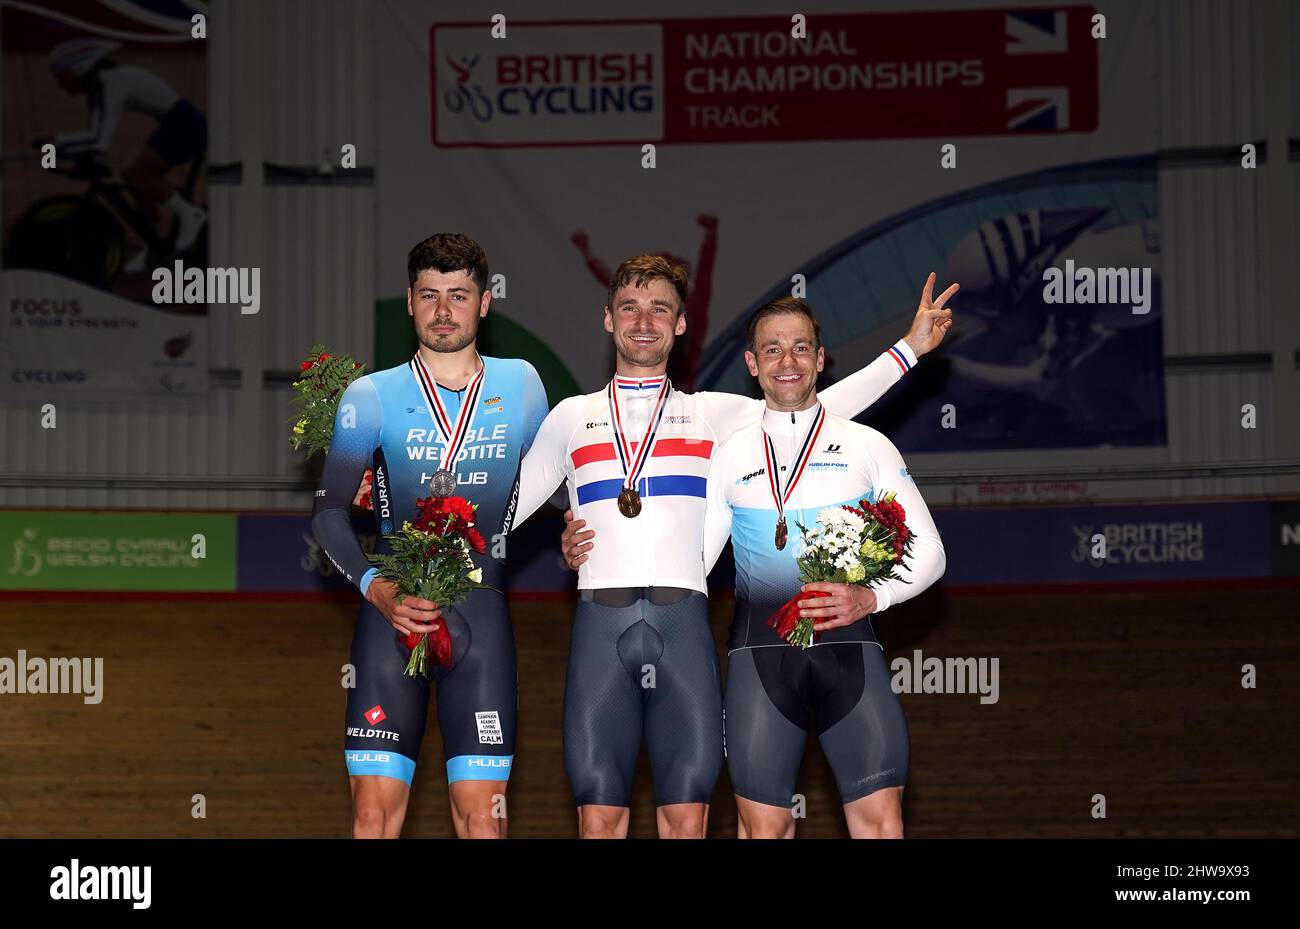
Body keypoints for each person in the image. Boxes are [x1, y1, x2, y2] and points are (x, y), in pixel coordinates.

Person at [517, 256, 956, 837]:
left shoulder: (715, 416)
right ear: (608, 319)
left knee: (690, 821)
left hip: (689, 629)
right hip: (608, 622)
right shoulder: (570, 417)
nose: (644, 321)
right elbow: (502, 505)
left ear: (680, 326)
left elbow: (813, 411)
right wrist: (393, 500)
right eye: (630, 307)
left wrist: (907, 350)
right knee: (599, 820)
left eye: (660, 309)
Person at [312, 233, 548, 838]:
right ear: (410, 301)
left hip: (483, 618)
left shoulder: (522, 386)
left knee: (482, 821)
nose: (444, 310)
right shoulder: (370, 397)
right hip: (391, 617)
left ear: (485, 303)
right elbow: (328, 514)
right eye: (430, 295)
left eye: (459, 295)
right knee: (372, 815)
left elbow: (558, 485)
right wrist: (375, 587)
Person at [701, 298, 946, 838]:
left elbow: (931, 550)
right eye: (772, 349)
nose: (787, 361)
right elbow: (691, 565)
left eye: (800, 348)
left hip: (851, 654)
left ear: (820, 359)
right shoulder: (729, 455)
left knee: (881, 826)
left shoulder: (867, 446)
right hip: (760, 660)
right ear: (752, 363)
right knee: (763, 831)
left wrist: (872, 597)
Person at [46, 37, 208, 272]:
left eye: (62, 77)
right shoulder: (98, 86)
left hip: (186, 125)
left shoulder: (111, 84)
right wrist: (61, 147)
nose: (61, 85)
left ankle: (189, 214)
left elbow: (100, 141)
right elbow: (94, 135)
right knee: (131, 176)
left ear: (80, 68)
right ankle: (154, 244)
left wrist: (58, 142)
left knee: (135, 174)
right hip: (176, 123)